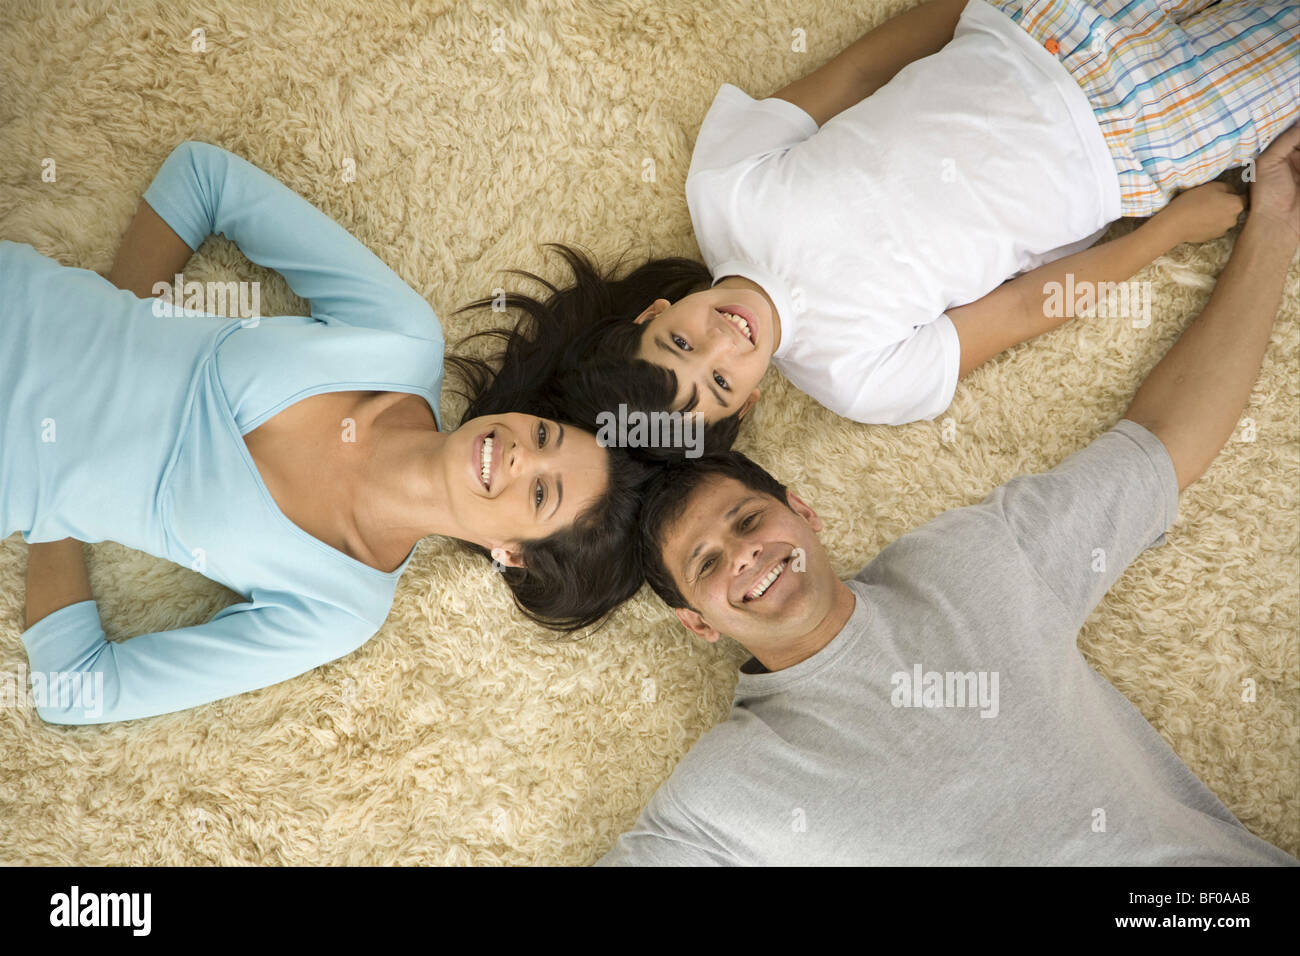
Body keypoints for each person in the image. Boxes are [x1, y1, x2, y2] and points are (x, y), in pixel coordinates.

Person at [595, 127, 1300, 865]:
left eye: (747, 520)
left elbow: (1159, 444)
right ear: (696, 624)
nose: (745, 555)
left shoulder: (968, 566)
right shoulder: (725, 797)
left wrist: (1276, 226)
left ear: (803, 511)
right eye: (707, 566)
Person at [7, 142, 652, 726]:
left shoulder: (339, 607)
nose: (519, 454)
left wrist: (53, 494)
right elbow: (205, 180)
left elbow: (77, 688)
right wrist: (119, 323)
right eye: (544, 436)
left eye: (540, 495)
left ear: (511, 554)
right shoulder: (401, 339)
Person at [464, 0, 1296, 443]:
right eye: (719, 382)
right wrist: (1168, 233)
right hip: (1136, 142)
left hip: (1040, 23)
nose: (725, 342)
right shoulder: (858, 379)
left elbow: (862, 68)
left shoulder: (723, 189)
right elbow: (1024, 307)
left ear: (654, 313)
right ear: (746, 407)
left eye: (680, 342)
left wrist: (980, 6)